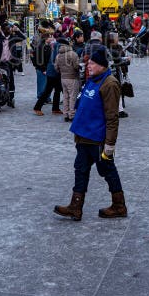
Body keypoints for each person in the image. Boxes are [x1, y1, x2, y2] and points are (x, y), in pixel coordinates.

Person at [54, 45, 125, 221]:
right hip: (84, 137)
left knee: (108, 171)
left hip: (98, 139)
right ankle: (75, 207)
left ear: (102, 65)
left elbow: (112, 117)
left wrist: (110, 144)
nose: (88, 66)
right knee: (80, 170)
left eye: (92, 63)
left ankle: (119, 206)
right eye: (88, 63)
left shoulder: (110, 83)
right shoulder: (92, 79)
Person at [33, 35, 63, 116]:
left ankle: (55, 108)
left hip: (55, 72)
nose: (52, 38)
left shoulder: (53, 46)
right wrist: (43, 69)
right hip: (52, 72)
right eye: (50, 36)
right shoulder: (55, 47)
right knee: (47, 91)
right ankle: (37, 107)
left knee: (57, 90)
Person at [55, 37, 81, 122]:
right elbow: (76, 66)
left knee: (65, 97)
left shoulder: (58, 55)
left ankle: (65, 114)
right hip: (72, 78)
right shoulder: (73, 54)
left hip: (63, 78)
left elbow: (56, 68)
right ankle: (71, 115)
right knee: (72, 97)